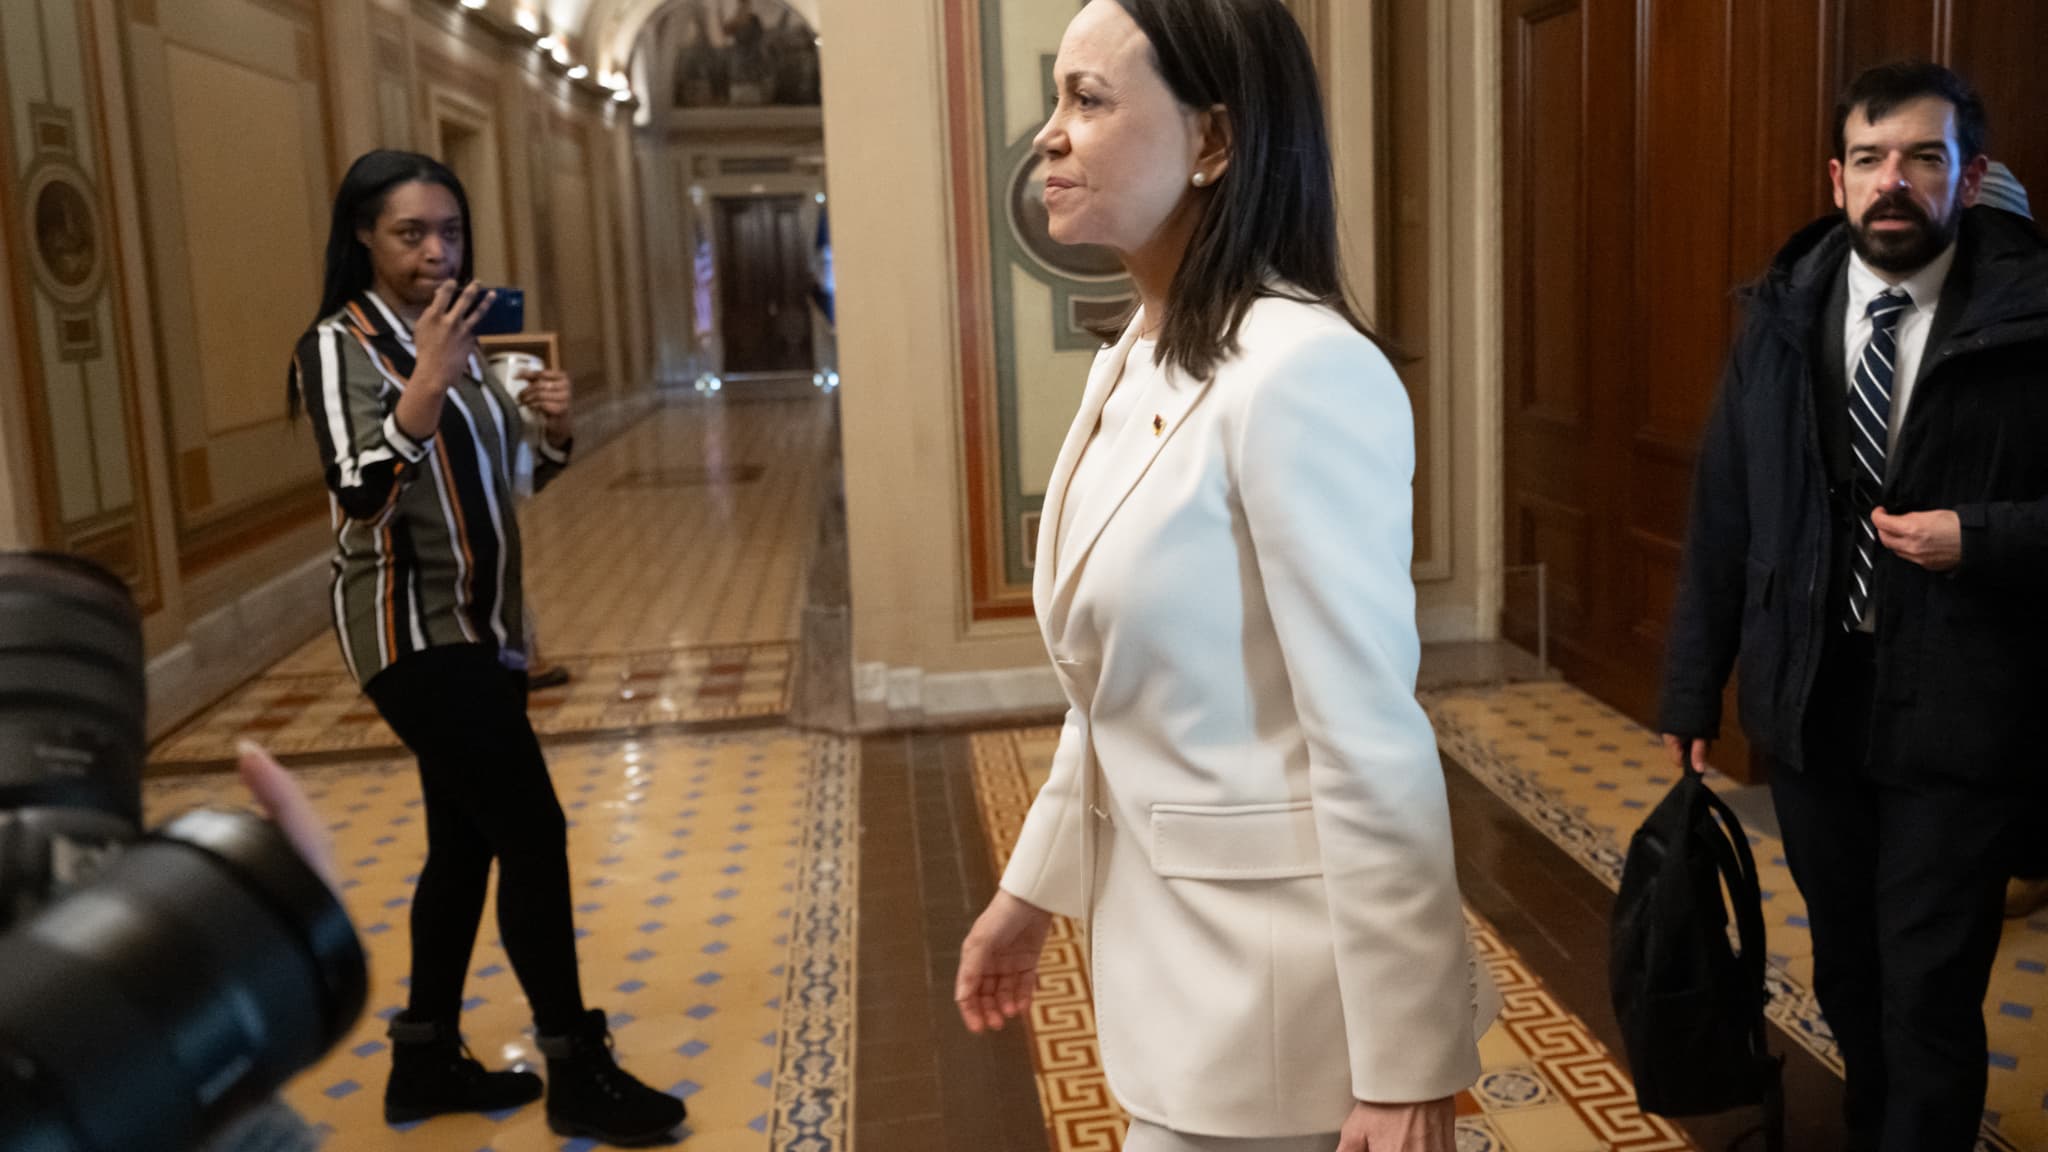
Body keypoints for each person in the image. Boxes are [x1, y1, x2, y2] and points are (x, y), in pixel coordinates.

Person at [950, 4, 1496, 1151]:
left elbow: (1366, 736)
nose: (1046, 136)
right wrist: (1031, 890)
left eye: (1088, 101)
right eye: (1053, 99)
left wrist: (1405, 1066)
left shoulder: (1299, 372)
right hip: (1173, 978)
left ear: (1214, 141)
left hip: (1283, 1010)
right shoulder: (1137, 351)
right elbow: (1112, 687)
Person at [1659, 63, 2048, 1152]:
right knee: (1847, 972)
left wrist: (1980, 537)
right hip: (1812, 703)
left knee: (1927, 984)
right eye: (1871, 159)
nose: (1894, 182)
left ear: (1966, 180)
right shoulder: (1779, 317)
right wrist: (1693, 686)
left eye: (1923, 158)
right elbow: (1723, 511)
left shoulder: (2028, 319)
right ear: (1835, 179)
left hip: (1961, 711)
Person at [287, 150, 684, 1146]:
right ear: (364, 242)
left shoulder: (465, 340)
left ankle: (422, 1060)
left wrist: (550, 429)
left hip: (480, 627)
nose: (434, 251)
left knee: (464, 844)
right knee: (532, 831)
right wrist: (425, 380)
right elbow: (363, 491)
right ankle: (575, 1065)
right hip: (409, 631)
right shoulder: (338, 346)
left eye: (449, 232)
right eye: (410, 234)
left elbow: (506, 484)